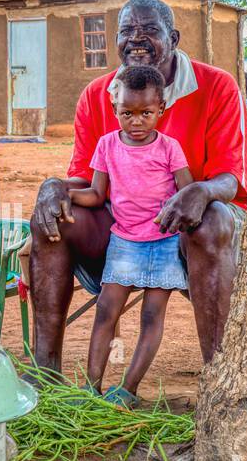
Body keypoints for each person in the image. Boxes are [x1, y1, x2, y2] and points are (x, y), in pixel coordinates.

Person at [30, 0, 247, 387]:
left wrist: (199, 192)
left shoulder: (217, 87)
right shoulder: (99, 95)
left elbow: (231, 179)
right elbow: (86, 181)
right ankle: (45, 376)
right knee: (51, 215)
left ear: (175, 38)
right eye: (127, 31)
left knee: (212, 217)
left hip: (196, 234)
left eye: (150, 30)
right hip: (126, 232)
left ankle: (222, 383)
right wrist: (54, 187)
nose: (137, 39)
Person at [69, 66, 190, 407]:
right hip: (124, 241)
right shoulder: (107, 145)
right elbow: (95, 194)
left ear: (160, 110)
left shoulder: (170, 148)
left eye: (146, 113)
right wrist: (65, 194)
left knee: (152, 317)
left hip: (165, 242)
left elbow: (187, 192)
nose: (136, 122)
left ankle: (129, 389)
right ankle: (91, 388)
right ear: (115, 110)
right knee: (106, 311)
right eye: (127, 114)